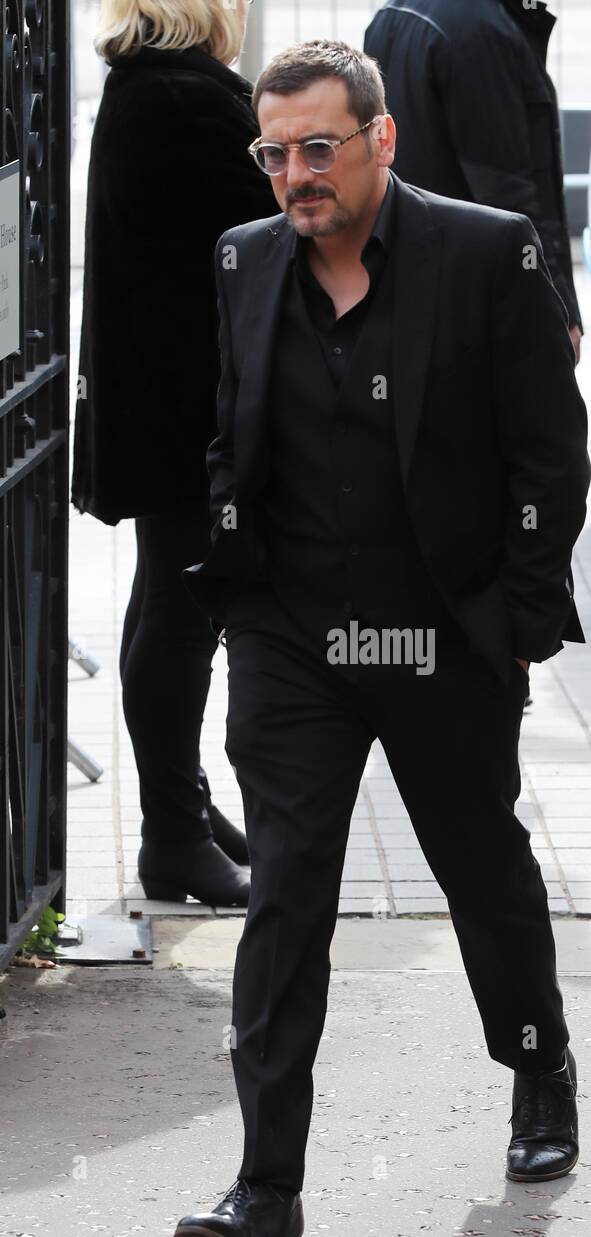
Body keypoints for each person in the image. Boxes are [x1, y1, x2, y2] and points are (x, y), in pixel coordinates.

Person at [174, 39, 590, 1237]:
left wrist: (514, 614)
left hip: (441, 630)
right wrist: (231, 563)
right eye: (275, 152)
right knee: (287, 895)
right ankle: (267, 1188)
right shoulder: (244, 260)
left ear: (382, 139)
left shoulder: (482, 250)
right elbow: (228, 430)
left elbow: (548, 453)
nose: (294, 174)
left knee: (480, 868)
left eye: (318, 147)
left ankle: (540, 1063)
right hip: (291, 636)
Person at [71, 0, 278, 907]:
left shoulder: (148, 87)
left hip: (159, 400)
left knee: (166, 601)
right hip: (184, 406)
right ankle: (171, 837)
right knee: (181, 611)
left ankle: (183, 812)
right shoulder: (183, 100)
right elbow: (269, 231)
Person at [364, 0, 583, 364]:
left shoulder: (392, 14)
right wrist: (555, 308)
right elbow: (508, 194)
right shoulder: (478, 29)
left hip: (419, 286)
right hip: (478, 304)